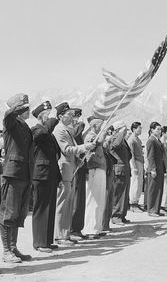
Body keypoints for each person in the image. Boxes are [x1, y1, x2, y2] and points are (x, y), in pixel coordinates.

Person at [53, 102, 95, 246]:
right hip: (64, 170)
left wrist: (78, 161)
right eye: (69, 114)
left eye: (72, 114)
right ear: (60, 116)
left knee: (69, 204)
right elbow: (66, 149)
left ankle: (65, 233)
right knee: (62, 204)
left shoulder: (67, 130)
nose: (72, 117)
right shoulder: (59, 130)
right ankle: (59, 235)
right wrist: (84, 147)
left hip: (71, 169)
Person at [0, 93, 34, 263]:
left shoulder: (24, 125)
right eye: (24, 107)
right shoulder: (11, 122)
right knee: (8, 213)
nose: (28, 109)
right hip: (12, 173)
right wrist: (15, 108)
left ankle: (13, 248)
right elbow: (8, 115)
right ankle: (6, 251)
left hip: (24, 173)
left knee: (19, 213)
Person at [30, 101, 62, 252]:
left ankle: (47, 240)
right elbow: (41, 134)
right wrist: (53, 120)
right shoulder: (36, 130)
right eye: (48, 115)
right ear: (41, 116)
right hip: (40, 175)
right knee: (41, 208)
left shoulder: (49, 134)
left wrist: (59, 177)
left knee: (50, 208)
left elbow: (54, 156)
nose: (50, 118)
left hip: (50, 175)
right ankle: (39, 242)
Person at [82, 117, 107, 238]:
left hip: (100, 168)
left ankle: (97, 227)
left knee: (100, 199)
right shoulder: (90, 136)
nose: (102, 127)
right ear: (94, 125)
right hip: (94, 168)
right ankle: (90, 228)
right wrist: (103, 134)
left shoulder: (96, 135)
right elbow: (96, 144)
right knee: (93, 200)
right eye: (100, 125)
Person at [109, 121, 132, 224]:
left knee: (125, 194)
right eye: (124, 129)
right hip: (119, 169)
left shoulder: (123, 140)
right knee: (118, 195)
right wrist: (120, 133)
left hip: (125, 169)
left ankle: (122, 215)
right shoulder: (115, 138)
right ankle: (116, 216)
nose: (126, 131)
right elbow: (115, 145)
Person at [70, 108, 88, 240]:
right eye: (76, 117)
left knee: (80, 198)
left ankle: (77, 228)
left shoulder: (78, 130)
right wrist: (80, 124)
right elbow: (75, 136)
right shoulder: (71, 129)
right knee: (75, 198)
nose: (78, 119)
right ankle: (72, 228)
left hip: (81, 166)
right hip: (74, 167)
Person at [146, 122, 166, 217]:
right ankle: (151, 210)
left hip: (160, 168)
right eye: (157, 129)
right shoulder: (151, 140)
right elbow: (151, 156)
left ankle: (156, 209)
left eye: (160, 129)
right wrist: (152, 169)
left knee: (159, 189)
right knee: (153, 189)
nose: (159, 131)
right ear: (152, 130)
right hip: (155, 168)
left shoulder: (157, 140)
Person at [128, 122, 145, 212]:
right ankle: (133, 203)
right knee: (135, 183)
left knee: (139, 183)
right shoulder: (131, 140)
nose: (141, 129)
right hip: (135, 163)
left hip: (140, 162)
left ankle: (136, 202)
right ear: (134, 129)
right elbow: (131, 155)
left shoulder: (138, 140)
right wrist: (133, 167)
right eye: (139, 128)